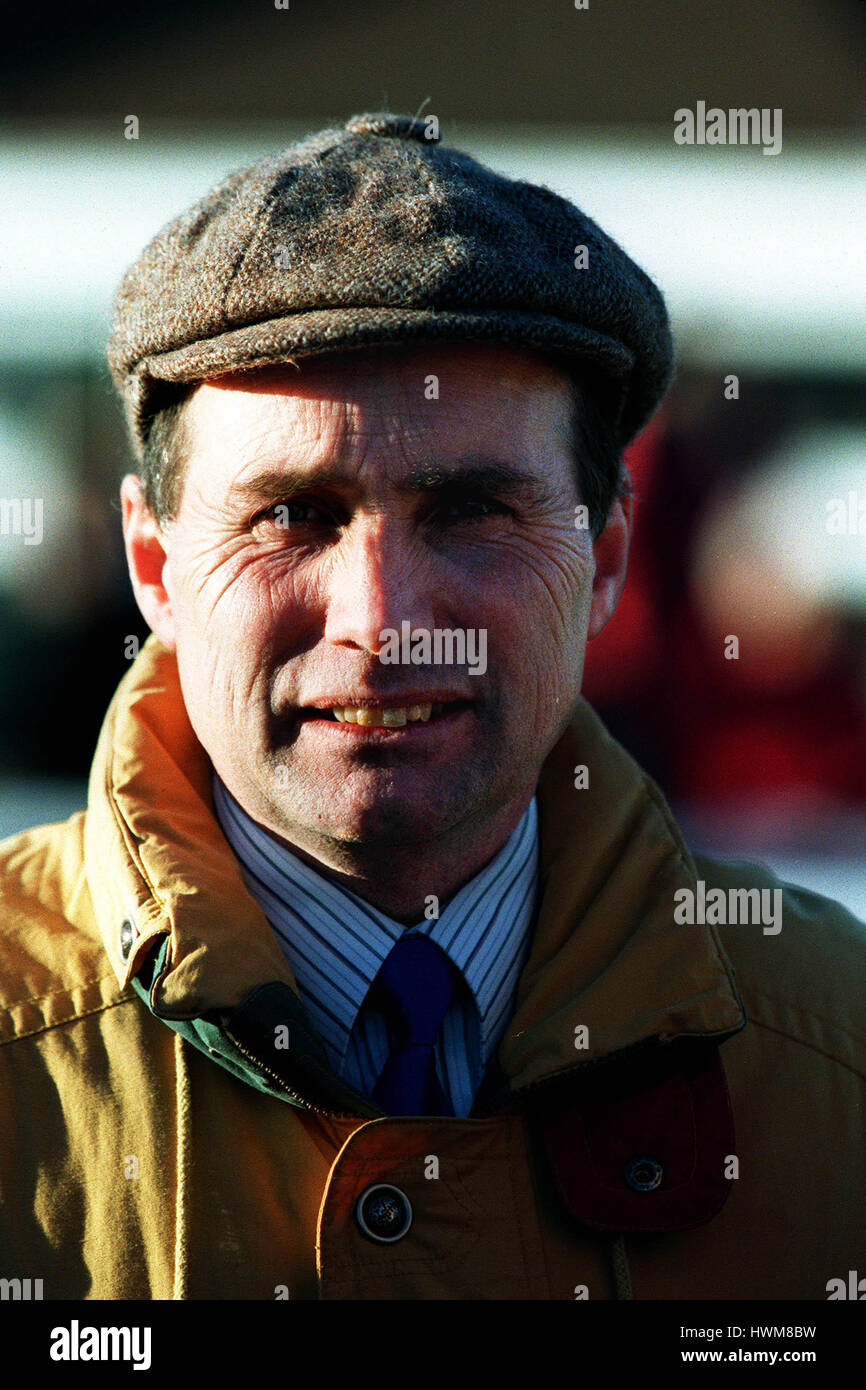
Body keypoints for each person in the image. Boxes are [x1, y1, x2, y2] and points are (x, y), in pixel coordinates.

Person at [1, 111, 863, 1302]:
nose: (384, 616)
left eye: (468, 508)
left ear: (606, 558)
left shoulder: (836, 1056)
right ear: (154, 569)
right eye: (292, 514)